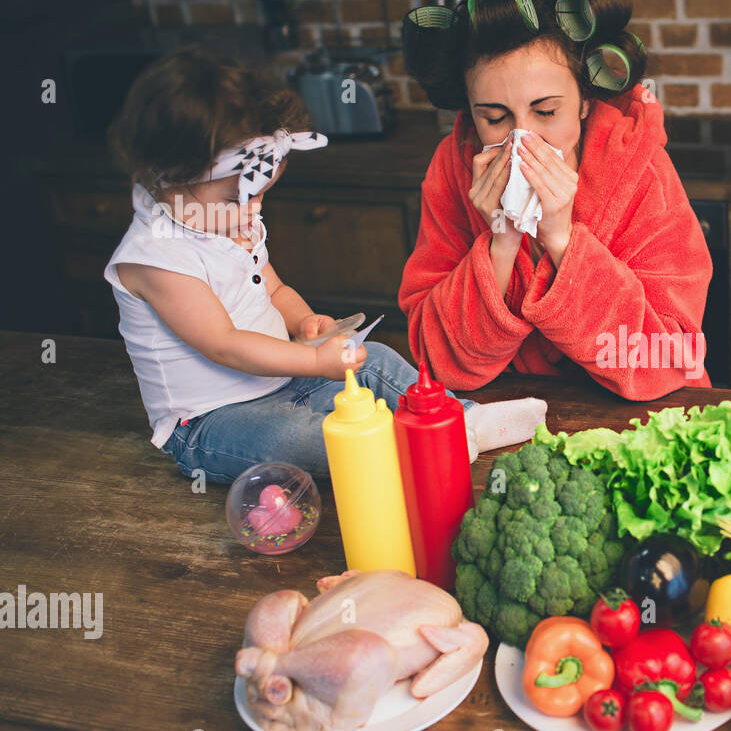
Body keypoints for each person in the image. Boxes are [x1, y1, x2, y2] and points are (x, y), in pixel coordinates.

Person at [102, 46, 472, 485]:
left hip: (286, 380)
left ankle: (462, 422)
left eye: (260, 193)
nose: (251, 209)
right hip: (212, 421)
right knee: (298, 440)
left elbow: (274, 290)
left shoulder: (228, 220)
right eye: (233, 198)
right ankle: (409, 452)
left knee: (374, 358)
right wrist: (314, 364)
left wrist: (305, 323)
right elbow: (224, 344)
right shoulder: (156, 257)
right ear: (168, 178)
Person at [398, 0, 713, 400]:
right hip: (511, 422)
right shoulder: (452, 167)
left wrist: (562, 240)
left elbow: (666, 357)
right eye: (495, 117)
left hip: (639, 420)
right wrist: (499, 243)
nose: (524, 138)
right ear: (470, 110)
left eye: (545, 112)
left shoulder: (640, 166)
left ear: (585, 101)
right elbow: (436, 360)